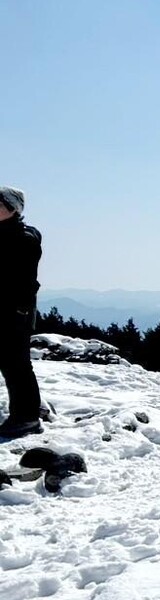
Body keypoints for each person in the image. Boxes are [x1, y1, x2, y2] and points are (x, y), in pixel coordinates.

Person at [0, 186, 43, 438]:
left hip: (15, 313)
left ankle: (27, 417)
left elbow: (26, 281)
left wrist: (19, 311)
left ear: (13, 209)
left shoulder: (24, 238)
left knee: (16, 365)